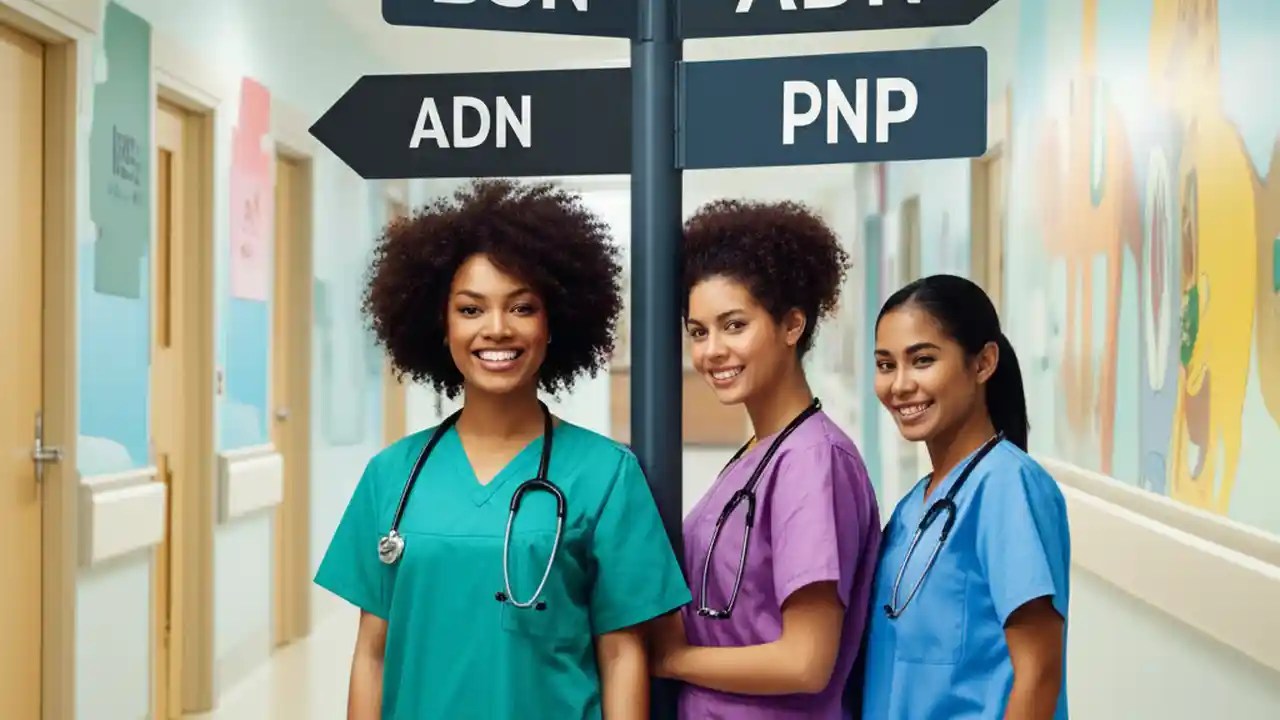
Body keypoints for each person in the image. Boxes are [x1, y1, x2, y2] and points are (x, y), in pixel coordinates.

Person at [314, 179, 690, 720]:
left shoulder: (605, 476)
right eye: (470, 310)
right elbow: (371, 654)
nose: (496, 329)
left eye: (521, 308)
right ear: (439, 326)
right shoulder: (392, 475)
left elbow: (621, 653)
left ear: (553, 321)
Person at [649, 198, 882, 719]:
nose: (711, 351)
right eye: (698, 331)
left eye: (734, 325)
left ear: (792, 325)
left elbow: (805, 662)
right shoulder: (761, 451)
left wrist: (675, 659)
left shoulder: (812, 461)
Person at [860, 274, 1071, 720]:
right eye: (885, 365)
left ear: (982, 363)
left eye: (922, 361)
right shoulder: (913, 509)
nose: (899, 385)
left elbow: (1039, 671)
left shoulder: (1006, 486)